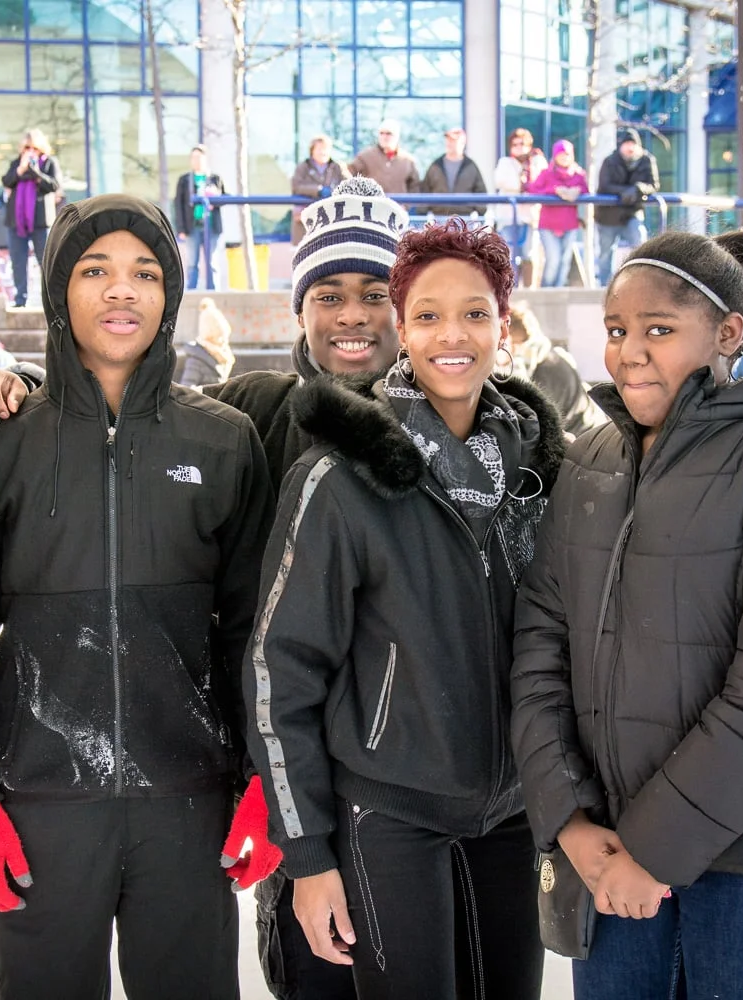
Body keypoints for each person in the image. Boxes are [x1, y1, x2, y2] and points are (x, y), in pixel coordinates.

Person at [512, 230, 743, 1000]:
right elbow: (539, 649)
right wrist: (573, 823)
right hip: (606, 855)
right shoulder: (591, 459)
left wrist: (652, 854)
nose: (630, 352)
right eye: (617, 331)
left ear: (729, 333)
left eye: (658, 330)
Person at [0, 193, 274, 1000]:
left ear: (170, 294)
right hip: (40, 806)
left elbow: (255, 636)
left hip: (188, 807)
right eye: (96, 271)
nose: (121, 292)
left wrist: (265, 779)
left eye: (144, 273)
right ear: (60, 291)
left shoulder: (223, 443)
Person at [247, 220, 563, 1000]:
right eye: (426, 315)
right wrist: (309, 857)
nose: (452, 335)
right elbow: (279, 671)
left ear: (504, 325)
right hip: (390, 815)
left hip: (513, 812)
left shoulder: (539, 469)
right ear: (402, 326)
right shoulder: (343, 478)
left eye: (475, 313)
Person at [501, 304, 607, 438]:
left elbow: (528, 430)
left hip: (585, 443)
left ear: (514, 346)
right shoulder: (550, 358)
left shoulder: (545, 372)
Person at [1, 128, 60, 308]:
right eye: (26, 147)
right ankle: (20, 299)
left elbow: (53, 185)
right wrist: (20, 170)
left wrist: (34, 172)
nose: (30, 151)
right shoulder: (17, 164)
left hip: (40, 221)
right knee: (18, 261)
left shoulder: (49, 163)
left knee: (45, 260)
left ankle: (51, 300)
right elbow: (6, 181)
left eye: (34, 147)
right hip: (17, 221)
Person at [592, 128, 659, 286]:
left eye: (633, 144)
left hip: (632, 212)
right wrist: (624, 192)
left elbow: (654, 185)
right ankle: (604, 287)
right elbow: (604, 185)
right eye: (627, 143)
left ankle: (643, 284)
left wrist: (637, 188)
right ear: (620, 146)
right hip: (608, 216)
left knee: (641, 245)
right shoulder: (610, 161)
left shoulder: (646, 160)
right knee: (605, 254)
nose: (630, 147)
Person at [493, 128, 548, 289]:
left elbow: (542, 182)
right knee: (509, 256)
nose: (518, 147)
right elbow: (501, 181)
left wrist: (530, 177)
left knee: (528, 255)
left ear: (529, 145)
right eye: (515, 144)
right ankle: (510, 289)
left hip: (530, 218)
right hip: (508, 217)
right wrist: (524, 185)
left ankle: (529, 290)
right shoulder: (505, 162)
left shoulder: (537, 162)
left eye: (522, 144)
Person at [528, 140, 588, 288]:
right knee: (553, 259)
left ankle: (559, 289)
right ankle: (546, 289)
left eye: (567, 154)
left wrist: (576, 191)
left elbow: (586, 191)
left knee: (565, 260)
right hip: (548, 225)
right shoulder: (547, 174)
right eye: (561, 154)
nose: (564, 157)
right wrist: (555, 190)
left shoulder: (578, 175)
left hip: (570, 225)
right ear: (555, 156)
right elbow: (533, 190)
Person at [174, 144, 224, 290]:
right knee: (191, 263)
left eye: (199, 157)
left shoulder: (215, 179)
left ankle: (215, 291)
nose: (196, 160)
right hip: (192, 227)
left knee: (212, 262)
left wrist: (216, 196)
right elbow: (178, 205)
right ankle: (192, 291)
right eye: (194, 157)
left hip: (212, 226)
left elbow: (226, 198)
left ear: (205, 159)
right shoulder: (184, 180)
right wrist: (181, 228)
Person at [290, 135, 350, 244]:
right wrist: (318, 190)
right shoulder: (303, 167)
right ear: (312, 150)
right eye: (319, 149)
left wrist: (334, 191)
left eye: (325, 149)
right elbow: (296, 186)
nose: (323, 152)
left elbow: (350, 184)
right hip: (306, 220)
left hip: (332, 218)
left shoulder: (338, 167)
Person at [419, 126, 488, 219]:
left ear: (463, 143)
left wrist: (481, 213)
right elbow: (425, 190)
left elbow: (480, 192)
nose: (449, 143)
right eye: (448, 139)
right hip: (439, 218)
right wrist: (422, 213)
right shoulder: (435, 166)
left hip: (464, 219)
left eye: (453, 140)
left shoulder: (471, 166)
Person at [350, 119, 422, 197]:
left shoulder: (408, 161)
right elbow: (349, 176)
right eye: (381, 133)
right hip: (372, 206)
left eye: (388, 133)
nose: (384, 137)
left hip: (397, 207)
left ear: (397, 136)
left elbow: (415, 187)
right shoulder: (365, 157)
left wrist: (406, 205)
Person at [177, 297, 237, 387]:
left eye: (225, 337)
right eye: (220, 337)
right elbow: (186, 393)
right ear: (209, 337)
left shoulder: (223, 358)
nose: (224, 341)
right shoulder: (196, 361)